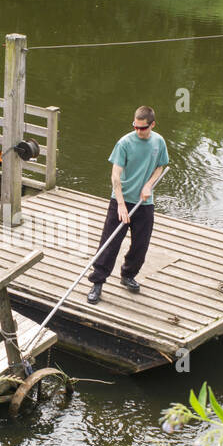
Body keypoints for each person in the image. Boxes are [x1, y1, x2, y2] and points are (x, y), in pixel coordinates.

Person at [86, 106, 168, 305]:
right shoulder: (124, 143)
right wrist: (121, 205)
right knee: (110, 243)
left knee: (141, 245)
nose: (138, 131)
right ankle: (97, 282)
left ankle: (128, 275)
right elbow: (115, 175)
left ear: (152, 125)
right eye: (135, 127)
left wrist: (149, 184)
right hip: (121, 200)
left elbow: (161, 166)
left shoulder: (159, 142)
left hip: (144, 203)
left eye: (142, 128)